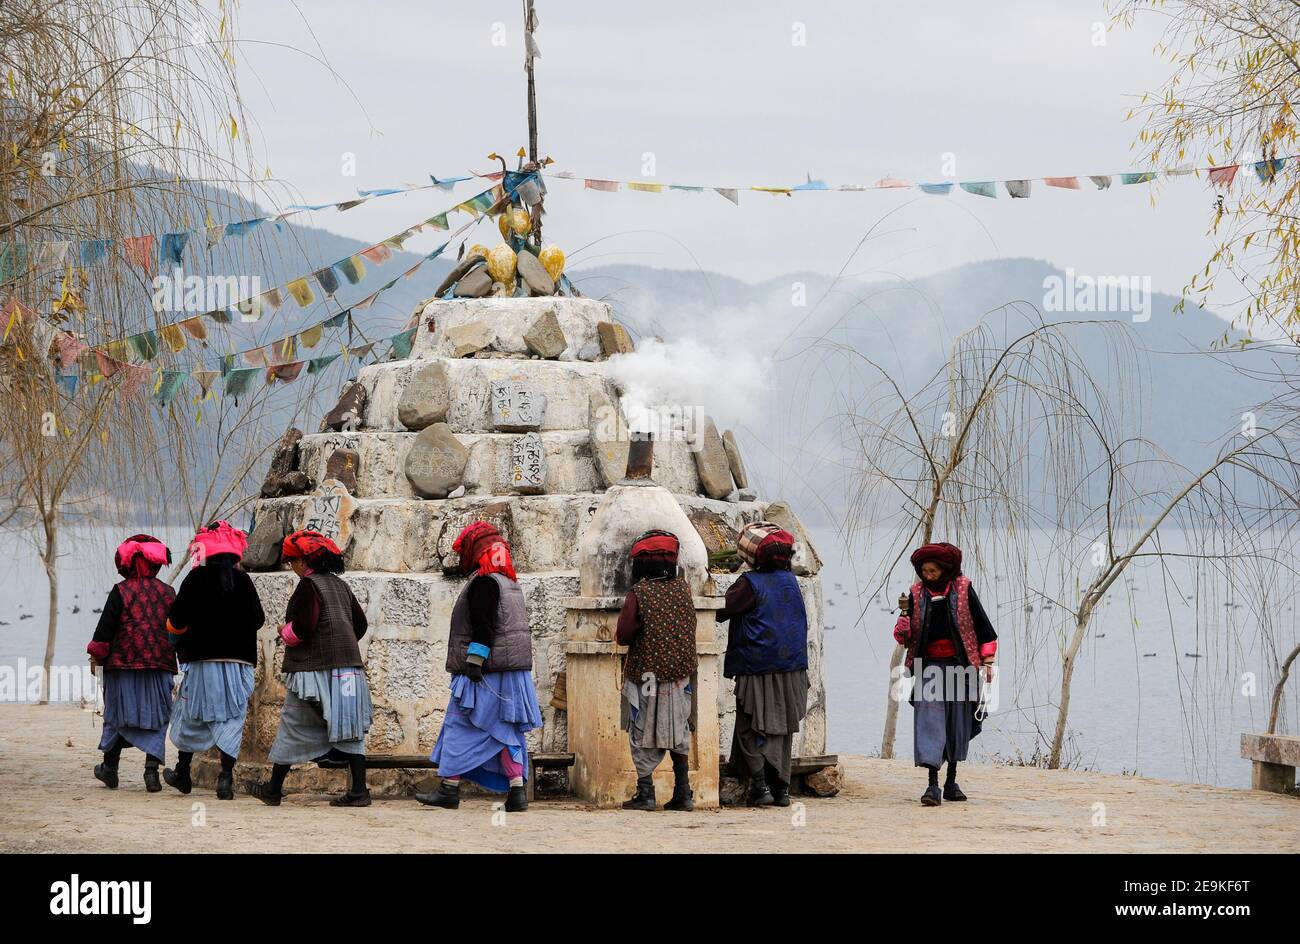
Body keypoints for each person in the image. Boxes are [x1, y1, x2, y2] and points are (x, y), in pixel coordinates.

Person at [416, 522, 541, 813]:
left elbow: (485, 628)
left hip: (486, 672)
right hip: (511, 674)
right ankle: (517, 793)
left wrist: (474, 661)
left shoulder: (484, 583)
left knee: (459, 725)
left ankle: (449, 789)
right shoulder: (510, 582)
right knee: (507, 733)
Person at [246, 530, 374, 807]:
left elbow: (303, 627)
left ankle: (274, 790)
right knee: (349, 725)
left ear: (305, 561)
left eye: (292, 561)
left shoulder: (308, 585)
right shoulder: (341, 586)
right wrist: (342, 640)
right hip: (349, 668)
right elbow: (360, 625)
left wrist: (284, 630)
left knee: (294, 724)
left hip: (314, 670)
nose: (292, 567)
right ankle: (359, 791)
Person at [892, 541, 997, 806]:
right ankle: (932, 785)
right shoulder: (916, 594)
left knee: (957, 723)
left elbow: (984, 627)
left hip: (962, 666)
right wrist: (903, 623)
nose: (927, 576)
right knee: (930, 720)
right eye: (924, 571)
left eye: (932, 572)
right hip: (930, 667)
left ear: (944, 570)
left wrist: (988, 662)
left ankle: (951, 781)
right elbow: (904, 637)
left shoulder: (963, 589)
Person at [164, 520, 264, 800]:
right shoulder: (244, 582)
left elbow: (176, 621)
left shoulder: (195, 579)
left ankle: (183, 772)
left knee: (192, 714)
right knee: (232, 717)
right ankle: (225, 779)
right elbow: (258, 620)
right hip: (239, 663)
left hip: (201, 661)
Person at [716, 521, 810, 807]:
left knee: (752, 726)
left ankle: (760, 786)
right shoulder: (790, 580)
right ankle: (781, 789)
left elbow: (722, 611)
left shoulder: (749, 584)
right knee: (781, 730)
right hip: (792, 666)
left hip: (757, 666)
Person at [615, 529, 699, 812]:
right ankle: (683, 792)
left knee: (642, 730)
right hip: (681, 676)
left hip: (647, 678)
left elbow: (624, 635)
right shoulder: (683, 588)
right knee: (679, 728)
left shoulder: (639, 593)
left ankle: (646, 793)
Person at [87, 535, 178, 792]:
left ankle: (109, 769)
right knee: (157, 717)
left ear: (126, 564)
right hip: (159, 664)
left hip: (122, 666)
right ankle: (151, 773)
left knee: (117, 716)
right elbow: (177, 631)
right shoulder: (169, 593)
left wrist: (95, 656)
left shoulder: (121, 591)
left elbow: (105, 630)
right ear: (156, 565)